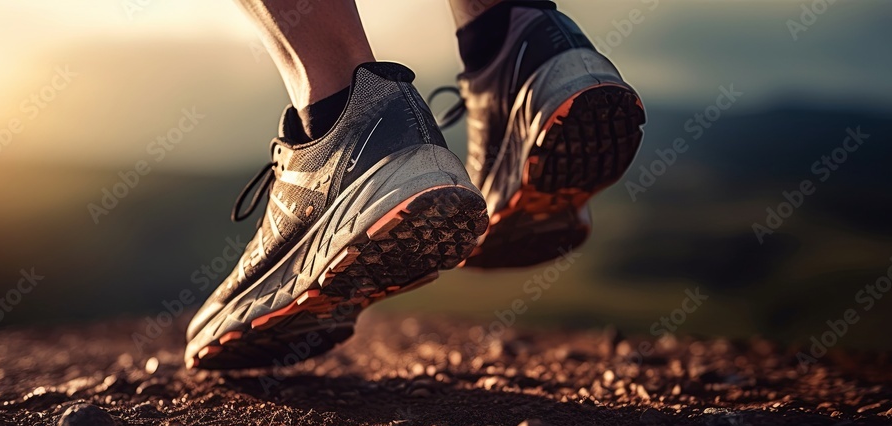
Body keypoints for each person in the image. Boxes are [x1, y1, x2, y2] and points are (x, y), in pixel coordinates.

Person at [184, 0, 646, 369]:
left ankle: (338, 116)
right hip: (543, 42)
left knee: (334, 86)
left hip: (356, 147)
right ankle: (524, 41)